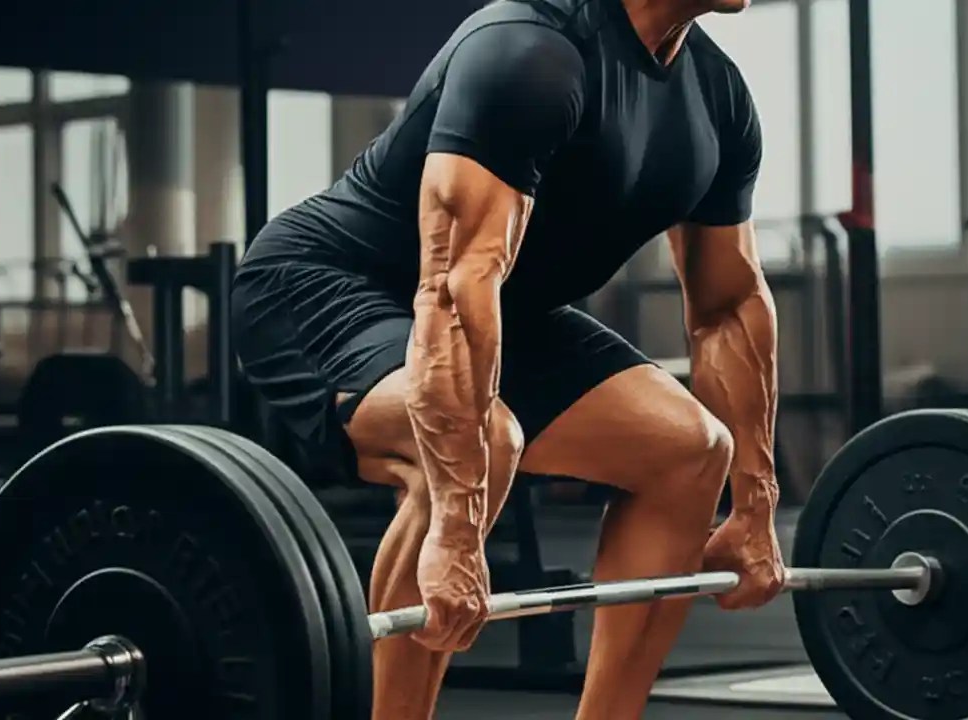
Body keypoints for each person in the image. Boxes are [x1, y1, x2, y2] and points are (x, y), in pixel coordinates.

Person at [232, 0, 785, 716]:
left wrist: (754, 506)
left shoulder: (717, 98)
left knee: (690, 450)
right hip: (326, 287)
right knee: (479, 441)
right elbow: (455, 286)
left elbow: (728, 309)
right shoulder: (529, 52)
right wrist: (456, 533)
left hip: (505, 308)